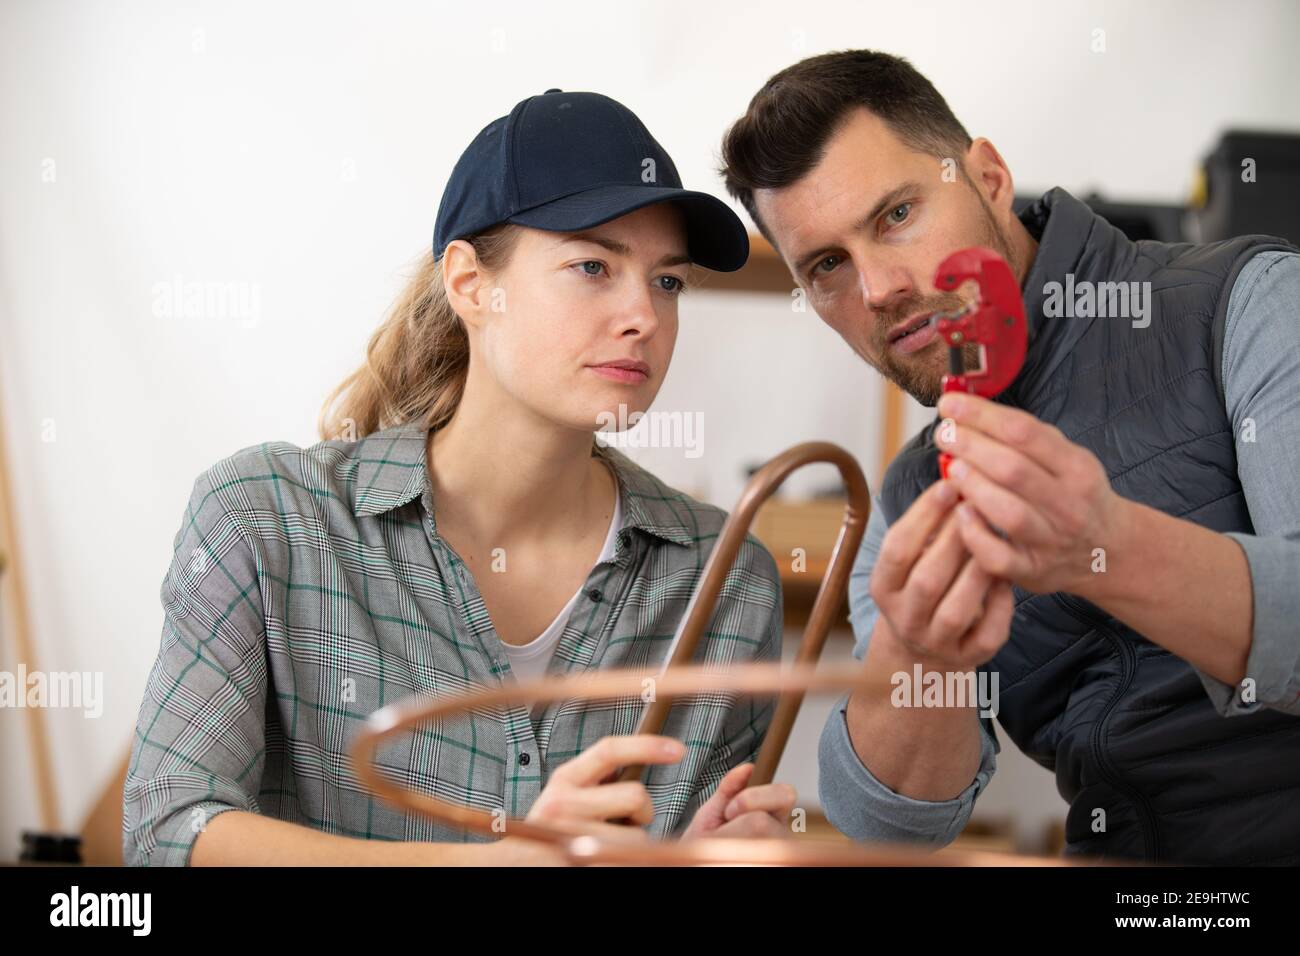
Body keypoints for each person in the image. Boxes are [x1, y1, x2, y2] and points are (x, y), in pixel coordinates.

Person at [124, 89, 798, 866]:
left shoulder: (725, 577)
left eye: (667, 282)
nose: (643, 314)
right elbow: (166, 832)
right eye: (592, 266)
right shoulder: (265, 519)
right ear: (471, 285)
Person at [721, 50, 1300, 864]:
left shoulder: (1249, 302)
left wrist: (1108, 546)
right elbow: (887, 829)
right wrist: (918, 652)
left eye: (895, 215)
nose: (879, 288)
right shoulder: (911, 496)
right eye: (826, 267)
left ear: (989, 177)